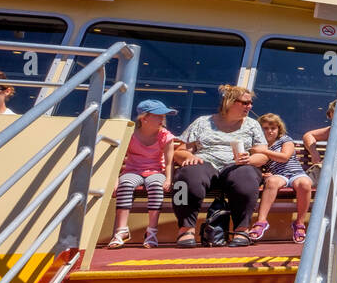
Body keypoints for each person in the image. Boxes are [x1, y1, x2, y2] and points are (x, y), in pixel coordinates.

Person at [172, 84, 268, 247]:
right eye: (245, 103)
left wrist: (249, 160)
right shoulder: (202, 123)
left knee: (247, 176)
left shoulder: (252, 125)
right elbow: (179, 152)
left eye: (250, 103)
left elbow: (263, 155)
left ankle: (242, 230)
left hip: (237, 166)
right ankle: (185, 229)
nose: (249, 106)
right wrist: (188, 157)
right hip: (205, 163)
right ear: (230, 102)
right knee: (184, 178)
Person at [108, 99, 177, 249]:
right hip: (133, 170)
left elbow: (169, 161)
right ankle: (121, 231)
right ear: (144, 118)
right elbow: (118, 160)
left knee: (156, 186)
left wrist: (168, 179)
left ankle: (151, 232)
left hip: (155, 171)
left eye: (163, 116)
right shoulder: (130, 134)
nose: (162, 119)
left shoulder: (165, 136)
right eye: (158, 116)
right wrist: (115, 180)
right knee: (125, 185)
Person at [249, 113, 313, 243]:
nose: (270, 131)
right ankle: (261, 222)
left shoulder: (285, 139)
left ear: (279, 129)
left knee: (305, 183)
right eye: (265, 128)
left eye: (273, 128)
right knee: (271, 182)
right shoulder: (259, 144)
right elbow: (257, 163)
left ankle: (299, 223)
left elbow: (284, 157)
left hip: (296, 173)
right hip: (278, 175)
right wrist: (262, 174)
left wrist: (263, 151)